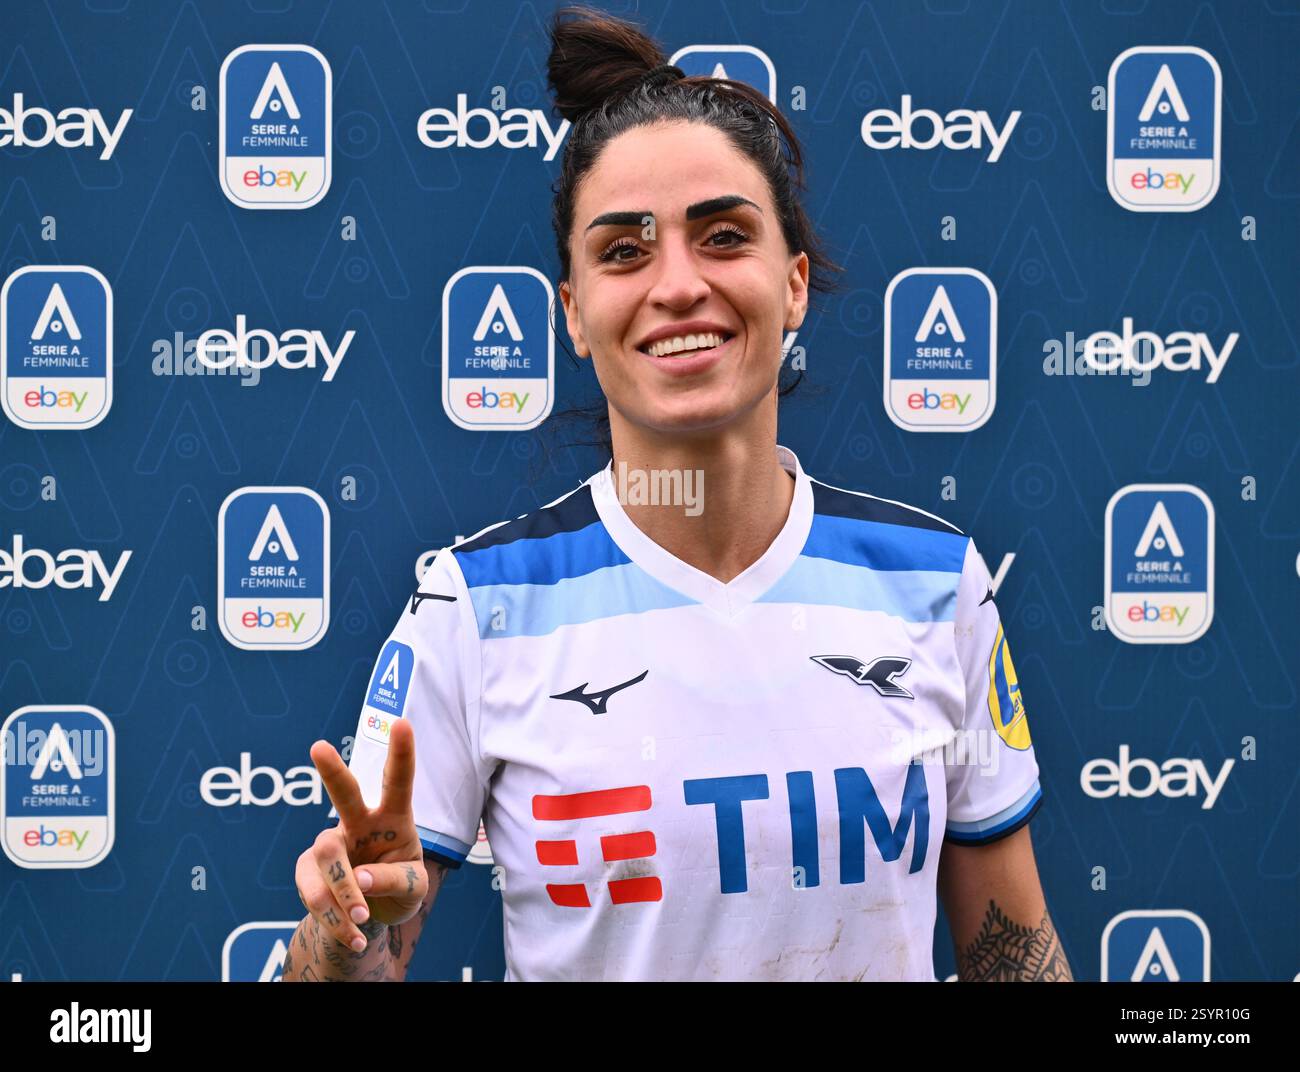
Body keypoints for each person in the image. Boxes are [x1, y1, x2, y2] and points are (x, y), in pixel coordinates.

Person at [283, 4, 1071, 983]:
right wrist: (345, 926)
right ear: (573, 312)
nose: (677, 284)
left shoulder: (934, 582)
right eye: (623, 250)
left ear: (791, 285)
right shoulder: (474, 609)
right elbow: (349, 962)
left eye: (722, 235)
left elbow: (1014, 959)